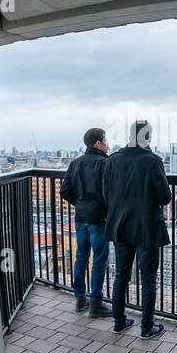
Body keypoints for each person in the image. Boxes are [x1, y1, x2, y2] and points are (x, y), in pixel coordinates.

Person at [103, 118, 172, 338]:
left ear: (130, 136)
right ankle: (146, 327)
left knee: (121, 275)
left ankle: (119, 322)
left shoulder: (112, 160)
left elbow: (107, 195)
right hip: (146, 227)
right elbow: (165, 196)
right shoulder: (152, 161)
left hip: (121, 225)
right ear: (149, 137)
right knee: (148, 278)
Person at [61, 127, 112, 315]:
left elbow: (65, 191)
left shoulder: (75, 163)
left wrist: (81, 204)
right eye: (106, 140)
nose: (108, 143)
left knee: (81, 257)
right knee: (100, 259)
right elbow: (109, 193)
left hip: (81, 216)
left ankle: (80, 299)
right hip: (98, 218)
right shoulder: (104, 164)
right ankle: (96, 303)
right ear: (98, 143)